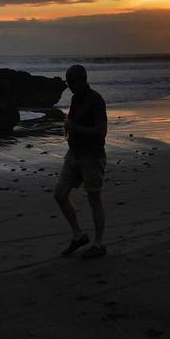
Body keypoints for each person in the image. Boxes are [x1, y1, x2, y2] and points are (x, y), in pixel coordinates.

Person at [54, 64, 109, 259]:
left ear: (82, 80)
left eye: (71, 83)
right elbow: (73, 122)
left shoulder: (96, 100)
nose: (69, 87)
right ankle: (78, 235)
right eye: (67, 83)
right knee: (59, 194)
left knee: (94, 199)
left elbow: (102, 131)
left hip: (92, 157)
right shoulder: (75, 98)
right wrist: (69, 127)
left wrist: (75, 127)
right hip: (74, 154)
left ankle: (99, 244)